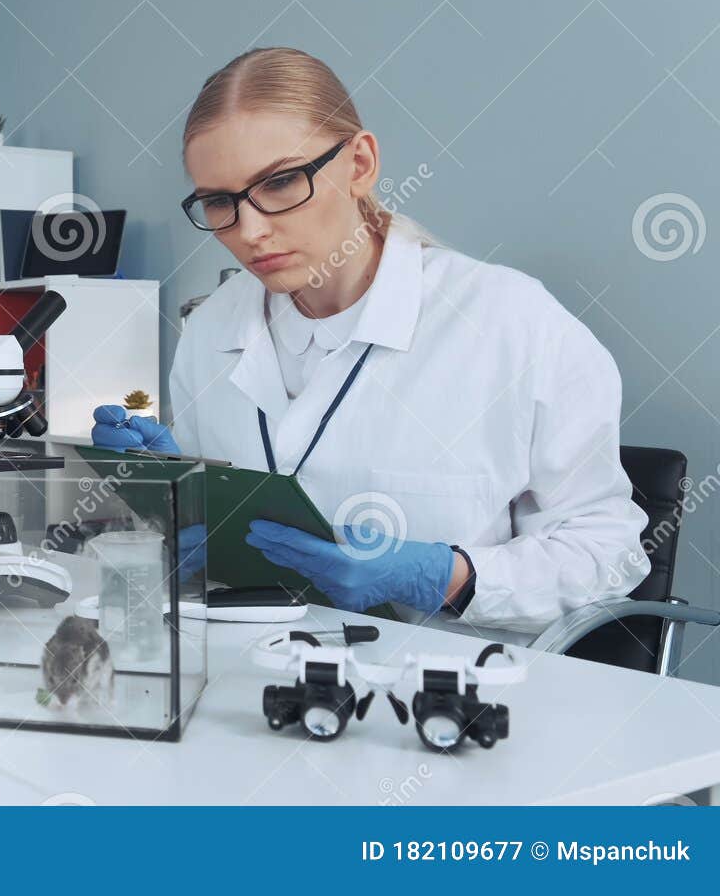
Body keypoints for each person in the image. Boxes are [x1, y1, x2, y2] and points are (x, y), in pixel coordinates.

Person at [94, 47, 648, 640]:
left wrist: (450, 576)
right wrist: (169, 494)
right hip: (255, 677)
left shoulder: (513, 325)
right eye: (219, 201)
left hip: (457, 693)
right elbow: (211, 533)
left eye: (281, 182)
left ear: (359, 163)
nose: (250, 230)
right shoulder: (211, 330)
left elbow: (610, 551)